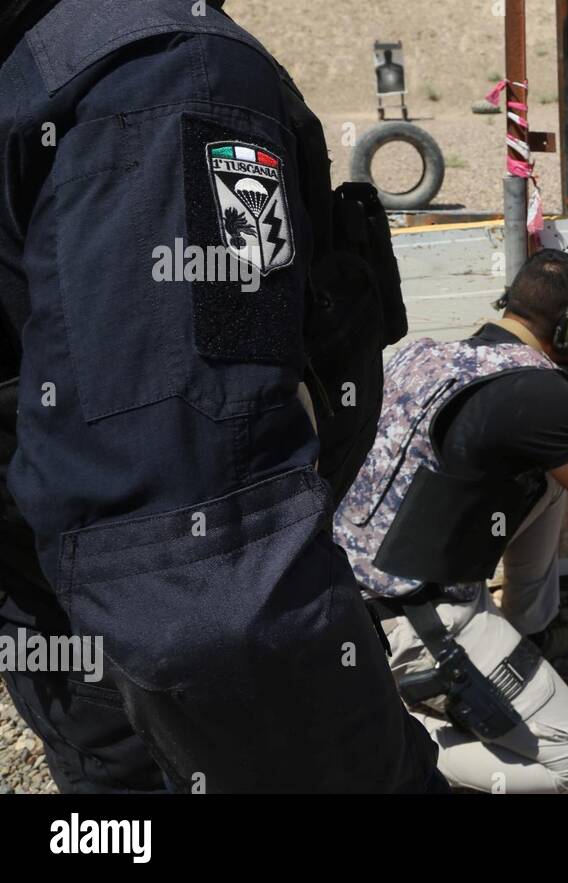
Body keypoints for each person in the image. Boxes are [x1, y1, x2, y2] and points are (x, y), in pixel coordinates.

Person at [0, 0, 444, 792]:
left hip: (74, 641)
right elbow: (206, 581)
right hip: (168, 669)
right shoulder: (160, 67)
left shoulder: (49, 57)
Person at [335, 249, 568, 793]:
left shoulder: (426, 354)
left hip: (344, 577)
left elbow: (534, 436)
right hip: (407, 615)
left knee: (551, 482)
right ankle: (384, 736)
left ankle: (531, 628)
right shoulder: (536, 391)